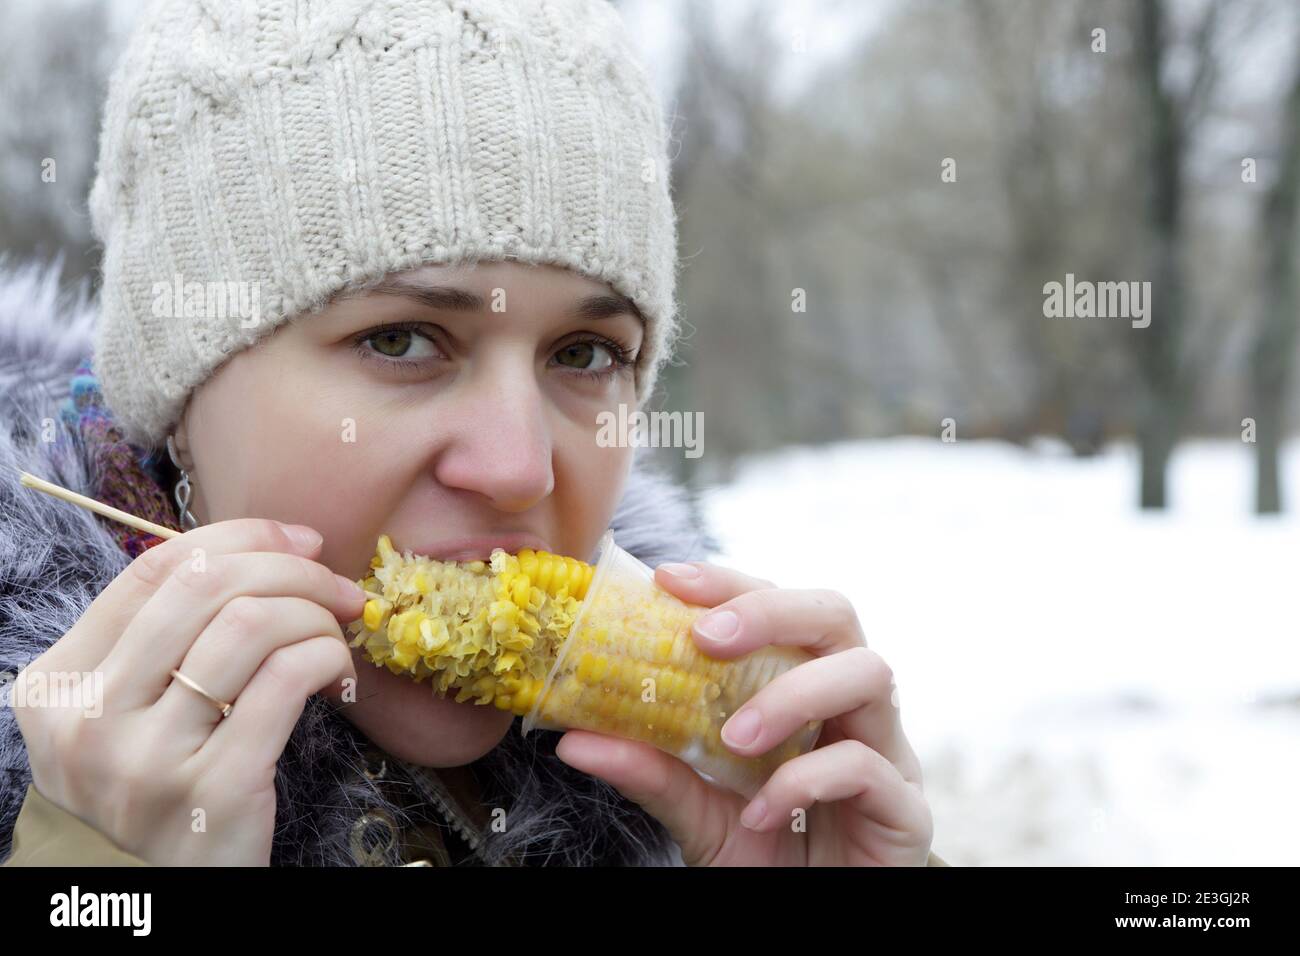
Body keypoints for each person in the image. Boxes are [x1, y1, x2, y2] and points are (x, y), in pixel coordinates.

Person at [0, 0, 944, 867]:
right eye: (402, 340)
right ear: (181, 399)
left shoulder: (704, 815)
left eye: (583, 354)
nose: (519, 468)